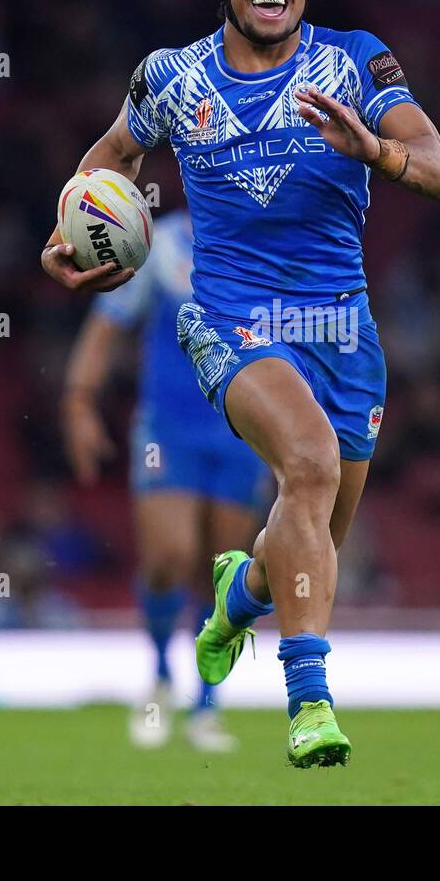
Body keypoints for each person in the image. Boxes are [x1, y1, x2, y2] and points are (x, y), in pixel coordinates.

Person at [41, 0, 440, 766]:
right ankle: (309, 702)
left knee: (311, 543)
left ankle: (240, 591)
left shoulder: (354, 60)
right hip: (231, 318)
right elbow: (111, 156)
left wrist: (373, 147)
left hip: (342, 330)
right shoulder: (173, 78)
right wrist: (70, 230)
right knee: (306, 463)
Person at [63, 210, 268, 752]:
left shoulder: (270, 242)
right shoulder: (158, 244)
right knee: (167, 559)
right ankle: (158, 673)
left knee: (221, 573)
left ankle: (206, 702)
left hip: (242, 430)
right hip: (167, 429)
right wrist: (80, 400)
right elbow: (108, 321)